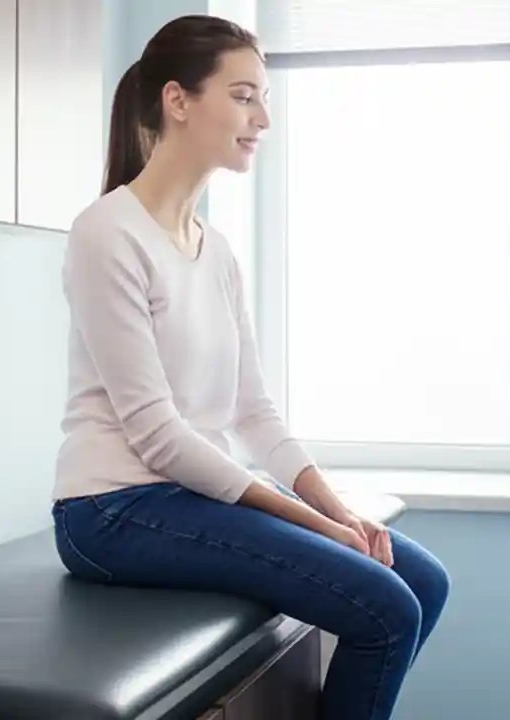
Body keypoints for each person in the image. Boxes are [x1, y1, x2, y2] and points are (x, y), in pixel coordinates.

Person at [49, 16, 449, 720]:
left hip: (185, 495)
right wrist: (314, 526)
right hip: (113, 509)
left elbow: (253, 411)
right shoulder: (106, 233)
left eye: (263, 98)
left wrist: (338, 509)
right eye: (243, 96)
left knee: (422, 579)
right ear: (178, 101)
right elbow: (157, 436)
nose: (263, 117)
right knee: (384, 606)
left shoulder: (216, 248)